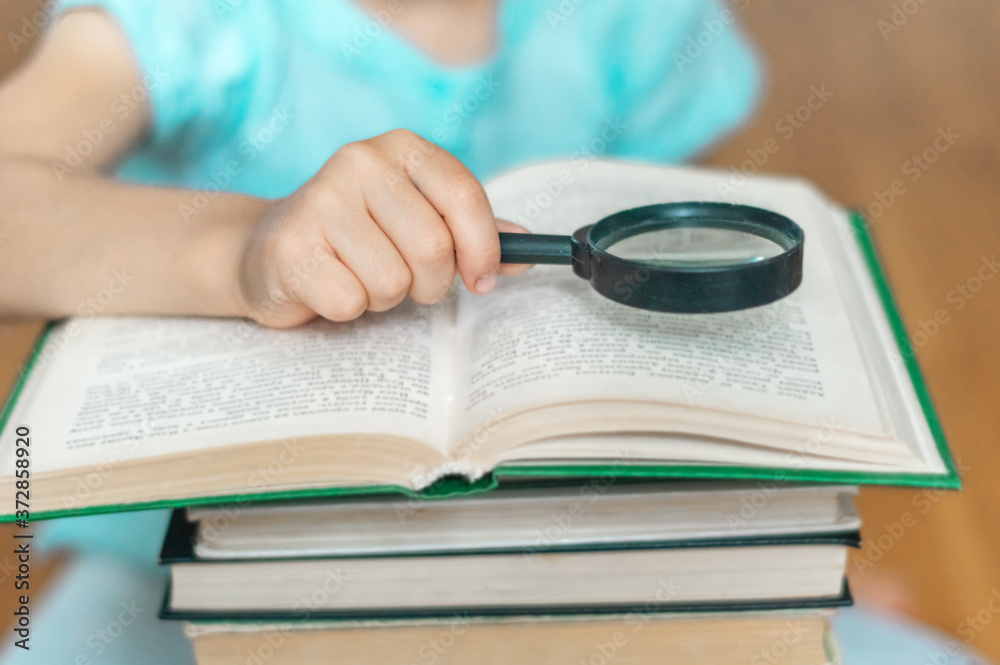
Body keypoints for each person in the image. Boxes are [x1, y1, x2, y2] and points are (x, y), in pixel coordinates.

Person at [0, 1, 988, 663]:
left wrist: (784, 554)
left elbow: (694, 281)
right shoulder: (190, 23)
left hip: (605, 562)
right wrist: (241, 248)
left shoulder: (638, 22)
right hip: (190, 570)